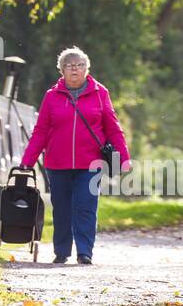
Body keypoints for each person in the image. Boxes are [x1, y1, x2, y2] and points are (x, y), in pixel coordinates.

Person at [21, 46, 130, 266]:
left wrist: (123, 159)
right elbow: (40, 131)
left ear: (87, 69)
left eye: (80, 65)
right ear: (61, 70)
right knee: (61, 207)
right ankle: (61, 252)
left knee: (86, 206)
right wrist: (27, 161)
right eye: (70, 66)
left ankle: (84, 252)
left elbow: (113, 128)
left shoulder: (101, 94)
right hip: (57, 162)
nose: (75, 69)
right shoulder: (52, 96)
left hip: (91, 163)